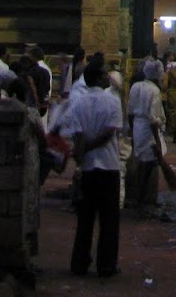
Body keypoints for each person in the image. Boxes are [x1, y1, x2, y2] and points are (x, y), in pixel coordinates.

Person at [62, 54, 125, 279]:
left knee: (85, 220)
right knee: (109, 221)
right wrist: (88, 148)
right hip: (108, 166)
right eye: (106, 73)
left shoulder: (78, 102)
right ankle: (106, 265)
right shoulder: (112, 101)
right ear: (98, 78)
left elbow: (77, 137)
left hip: (88, 168)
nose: (109, 76)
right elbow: (109, 133)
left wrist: (81, 155)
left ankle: (79, 263)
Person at [128, 59, 167, 211]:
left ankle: (138, 196)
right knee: (151, 165)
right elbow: (153, 120)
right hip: (149, 131)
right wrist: (157, 142)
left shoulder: (135, 86)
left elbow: (130, 113)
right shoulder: (154, 91)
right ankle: (148, 197)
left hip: (137, 128)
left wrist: (132, 132)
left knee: (140, 163)